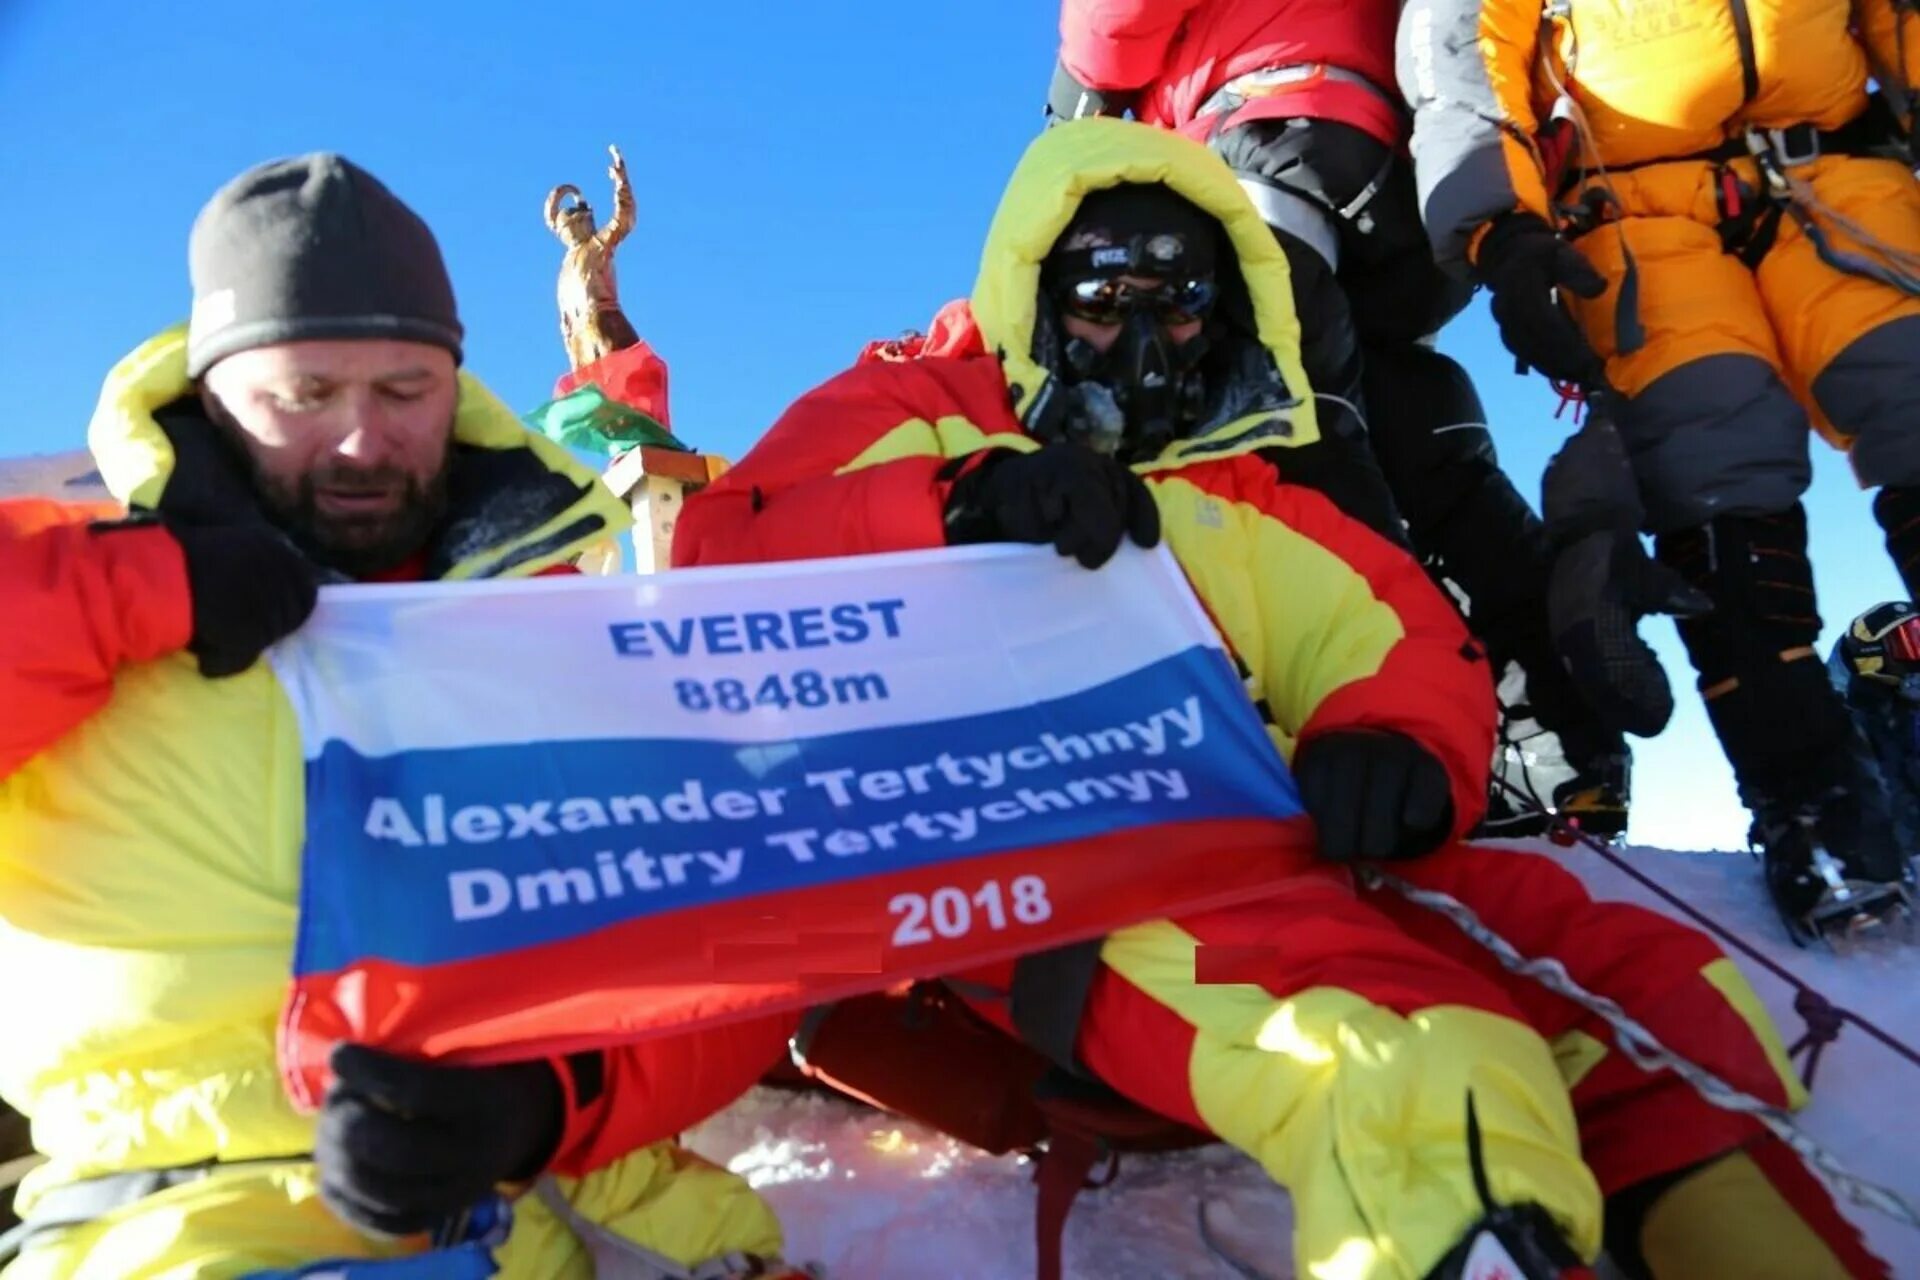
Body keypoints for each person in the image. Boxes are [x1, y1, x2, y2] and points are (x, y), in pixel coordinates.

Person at [673, 117, 1887, 1279]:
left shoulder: (1245, 481)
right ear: (1036, 287)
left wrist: (1394, 739)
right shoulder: (916, 407)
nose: (1143, 337)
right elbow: (727, 559)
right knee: (1412, 1057)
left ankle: (1716, 1218)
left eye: (1179, 301)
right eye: (1101, 294)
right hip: (1034, 872)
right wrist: (958, 504)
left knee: (1648, 994)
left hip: (1256, 845)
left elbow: (1388, 628)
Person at [0, 154, 799, 1278]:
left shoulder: (558, 629)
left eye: (405, 391)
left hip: (582, 1216)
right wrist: (129, 594)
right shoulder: (87, 609)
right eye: (304, 395)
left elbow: (757, 926)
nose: (362, 443)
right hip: (185, 1218)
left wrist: (557, 1095)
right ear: (211, 392)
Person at [1044, 0, 1636, 836]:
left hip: (1268, 144)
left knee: (1289, 449)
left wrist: (1071, 108)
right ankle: (1561, 745)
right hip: (1411, 184)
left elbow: (1117, 21)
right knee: (1421, 454)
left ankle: (1366, 734)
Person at [1396, 0, 1920, 938]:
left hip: (1845, 174)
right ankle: (1815, 815)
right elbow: (1464, 58)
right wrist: (1500, 230)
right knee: (1713, 479)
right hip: (1633, 210)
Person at [1830, 601, 1920, 856]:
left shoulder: (1905, 702)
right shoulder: (1838, 720)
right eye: (1907, 643)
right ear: (1872, 653)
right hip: (1896, 855)